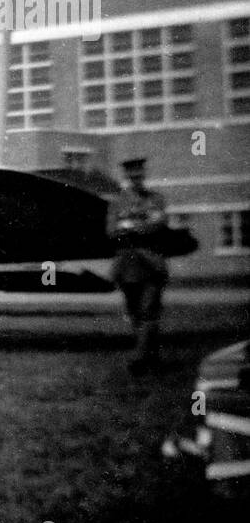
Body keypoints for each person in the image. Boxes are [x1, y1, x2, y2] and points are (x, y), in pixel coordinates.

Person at [107, 157, 169, 370]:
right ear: (126, 177)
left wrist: (130, 226)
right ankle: (152, 357)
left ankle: (139, 357)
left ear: (143, 175)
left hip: (150, 263)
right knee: (134, 312)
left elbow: (159, 224)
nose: (136, 178)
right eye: (131, 175)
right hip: (126, 266)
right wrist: (139, 224)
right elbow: (111, 231)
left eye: (139, 174)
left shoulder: (155, 198)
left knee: (149, 310)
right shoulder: (117, 202)